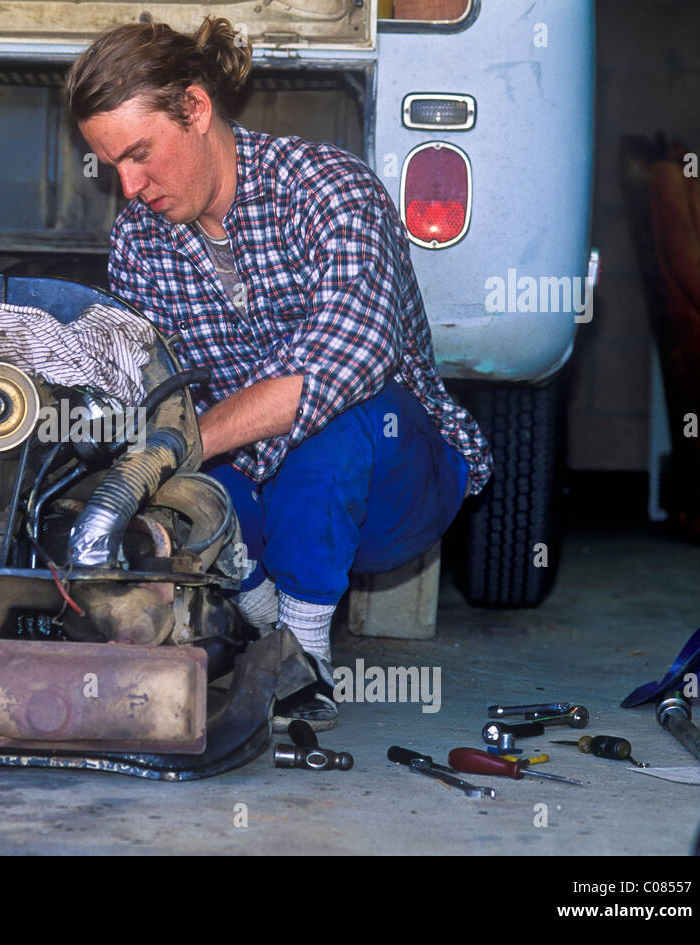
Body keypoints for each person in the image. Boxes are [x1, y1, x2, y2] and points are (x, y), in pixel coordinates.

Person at [65, 17, 492, 730]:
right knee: (159, 448)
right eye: (113, 167)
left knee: (343, 415)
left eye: (139, 154)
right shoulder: (137, 242)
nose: (130, 186)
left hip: (395, 487)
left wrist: (184, 443)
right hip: (257, 500)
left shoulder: (330, 191)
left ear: (196, 109)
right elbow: (144, 390)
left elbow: (346, 357)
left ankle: (307, 657)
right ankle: (262, 612)